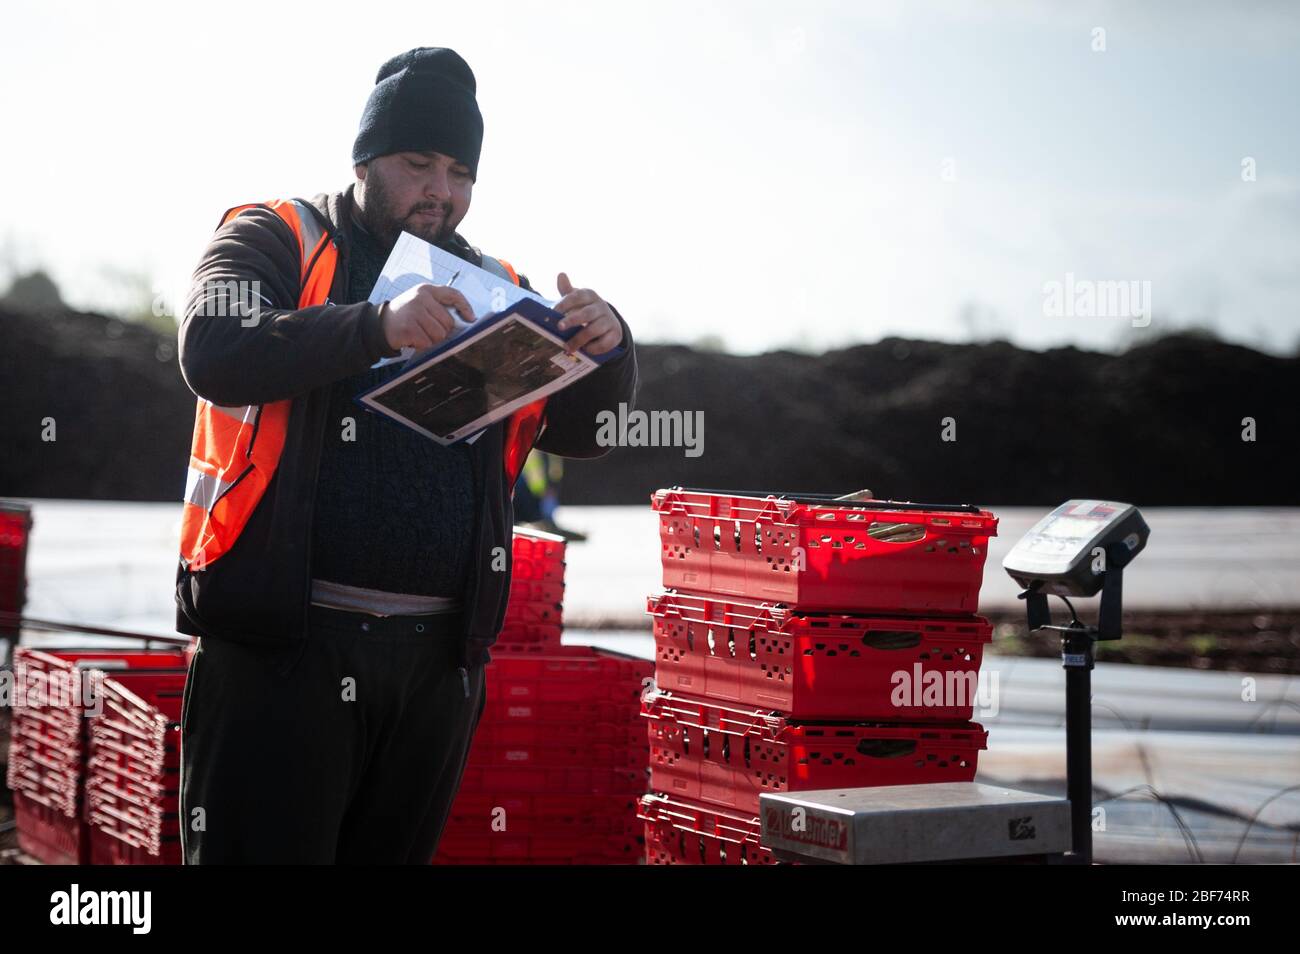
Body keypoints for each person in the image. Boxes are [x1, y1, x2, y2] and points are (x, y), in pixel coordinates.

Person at [174, 46, 637, 864]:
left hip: (433, 671)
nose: (441, 190)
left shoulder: (494, 282)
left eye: (460, 172)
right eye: (418, 162)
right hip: (282, 658)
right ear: (365, 158)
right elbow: (212, 347)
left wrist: (610, 351)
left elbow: (582, 434)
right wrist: (375, 327)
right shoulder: (279, 235)